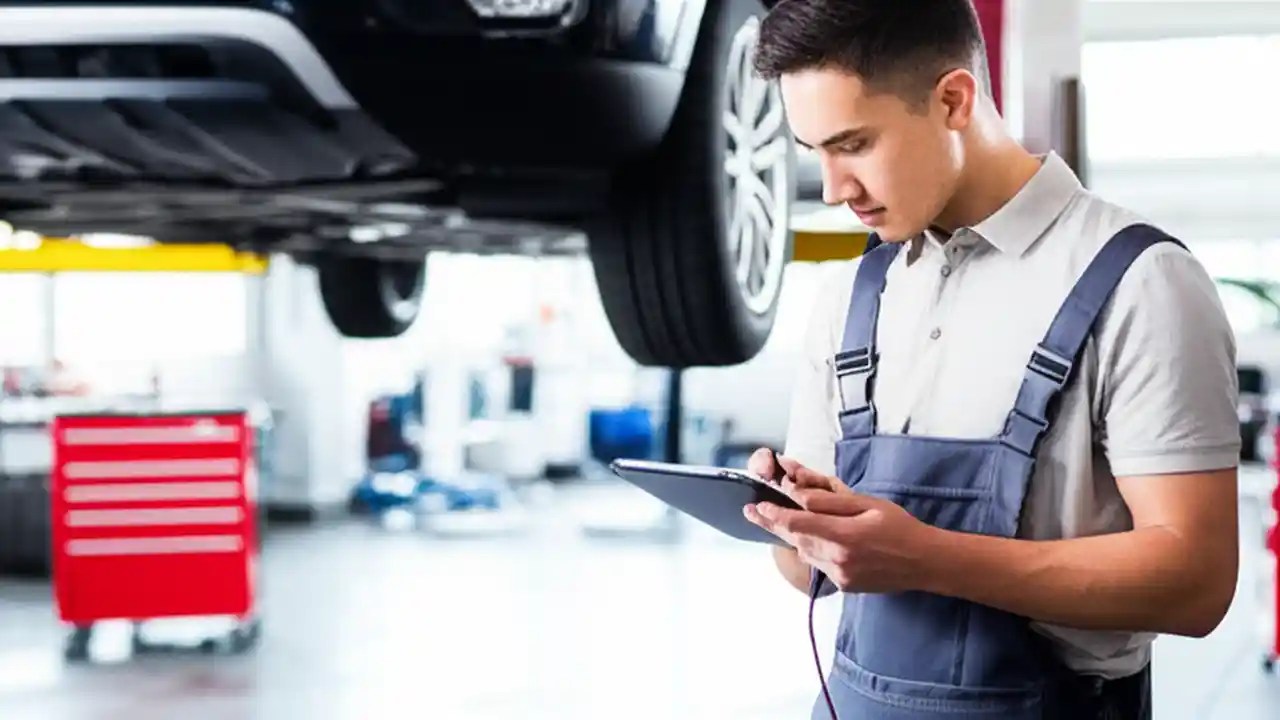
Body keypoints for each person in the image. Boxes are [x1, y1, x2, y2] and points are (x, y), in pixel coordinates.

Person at [739, 1, 1241, 719]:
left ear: (953, 100)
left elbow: (1196, 584)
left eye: (853, 144)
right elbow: (802, 575)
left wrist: (927, 557)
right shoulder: (853, 294)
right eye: (813, 150)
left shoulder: (1141, 281)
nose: (833, 188)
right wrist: (796, 521)